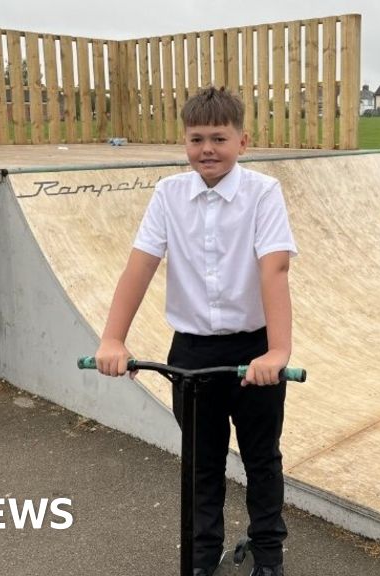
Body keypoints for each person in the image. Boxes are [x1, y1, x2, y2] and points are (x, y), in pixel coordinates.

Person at [94, 86, 297, 576]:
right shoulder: (169, 194)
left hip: (252, 351)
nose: (207, 149)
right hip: (190, 352)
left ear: (242, 142)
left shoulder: (262, 193)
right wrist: (113, 338)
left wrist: (277, 351)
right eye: (196, 139)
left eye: (219, 139)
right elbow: (140, 265)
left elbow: (275, 269)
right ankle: (202, 557)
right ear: (184, 141)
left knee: (261, 459)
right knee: (201, 462)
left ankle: (269, 555)